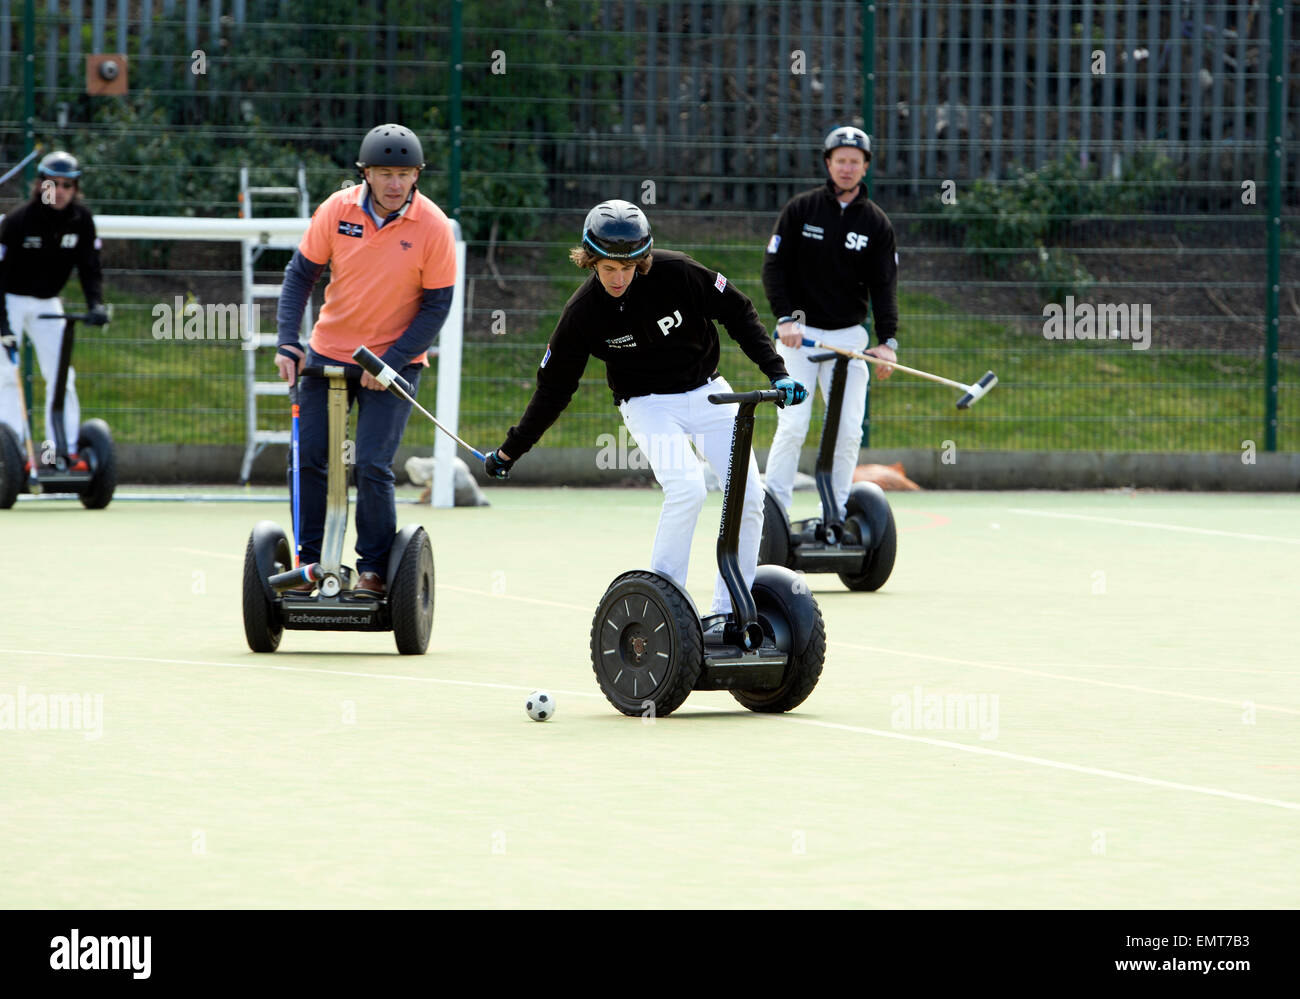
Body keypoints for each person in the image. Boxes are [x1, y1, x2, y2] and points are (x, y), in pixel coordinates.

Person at [484, 200, 807, 627]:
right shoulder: (582, 315)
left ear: (643, 260)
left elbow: (739, 311)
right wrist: (510, 451)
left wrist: (777, 372)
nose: (619, 278)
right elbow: (554, 389)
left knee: (749, 496)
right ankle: (665, 613)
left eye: (628, 268)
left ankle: (731, 612)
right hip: (648, 404)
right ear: (590, 261)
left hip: (710, 392)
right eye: (608, 269)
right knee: (687, 488)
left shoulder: (679, 273)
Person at [275, 123, 457, 596]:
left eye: (403, 173)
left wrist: (390, 363)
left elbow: (437, 305)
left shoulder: (433, 226)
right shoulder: (336, 210)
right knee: (312, 458)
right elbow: (300, 277)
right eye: (384, 173)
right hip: (326, 355)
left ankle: (373, 569)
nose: (394, 184)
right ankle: (309, 563)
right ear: (365, 174)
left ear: (417, 174)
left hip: (394, 364)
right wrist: (287, 342)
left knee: (372, 464)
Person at [761, 124, 900, 523]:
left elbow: (884, 286)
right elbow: (774, 269)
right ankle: (773, 517)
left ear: (865, 167)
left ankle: (835, 516)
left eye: (855, 161)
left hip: (848, 339)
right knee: (793, 424)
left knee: (847, 431)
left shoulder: (876, 223)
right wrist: (786, 318)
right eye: (840, 160)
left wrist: (887, 341)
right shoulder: (801, 209)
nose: (847, 167)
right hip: (799, 339)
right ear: (828, 162)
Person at [0, 150, 110, 471]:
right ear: (40, 185)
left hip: (48, 302)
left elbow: (90, 267)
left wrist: (96, 305)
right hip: (10, 300)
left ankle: (57, 453)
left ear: (75, 189)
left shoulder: (82, 221)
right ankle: (15, 455)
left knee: (62, 377)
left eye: (67, 185)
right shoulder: (18, 222)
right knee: (7, 375)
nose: (60, 191)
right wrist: (3, 326)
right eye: (53, 184)